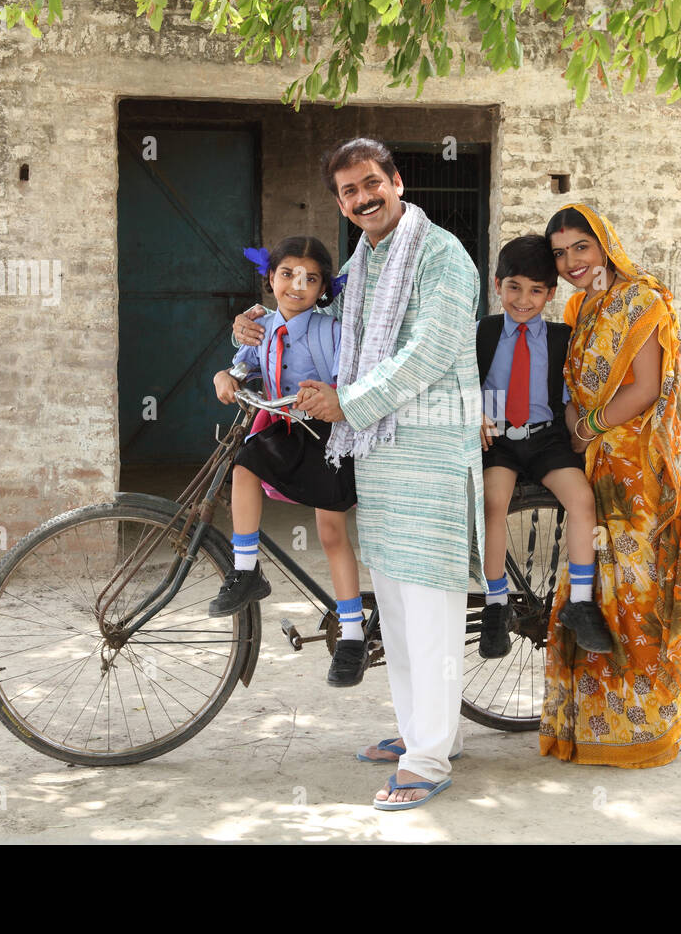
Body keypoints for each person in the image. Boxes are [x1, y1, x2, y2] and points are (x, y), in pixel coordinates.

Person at [233, 138, 484, 810]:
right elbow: (329, 326)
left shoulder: (441, 256)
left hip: (428, 450)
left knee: (429, 604)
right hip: (379, 453)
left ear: (395, 181)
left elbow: (427, 351)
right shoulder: (366, 260)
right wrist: (258, 325)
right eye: (349, 191)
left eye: (372, 183)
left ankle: (429, 759)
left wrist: (349, 401)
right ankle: (426, 733)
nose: (363, 198)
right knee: (397, 606)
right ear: (342, 202)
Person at [538, 203, 681, 769]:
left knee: (637, 594)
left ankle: (646, 729)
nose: (571, 263)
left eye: (580, 248)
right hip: (594, 467)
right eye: (560, 254)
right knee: (594, 594)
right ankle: (593, 728)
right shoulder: (582, 305)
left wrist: (588, 429)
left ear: (603, 244)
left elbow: (646, 388)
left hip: (640, 471)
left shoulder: (642, 300)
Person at [210, 236, 366, 688]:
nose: (297, 285)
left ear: (323, 289)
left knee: (331, 532)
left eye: (311, 278)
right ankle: (245, 570)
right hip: (285, 428)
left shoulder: (329, 330)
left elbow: (346, 378)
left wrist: (330, 395)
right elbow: (244, 368)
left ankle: (352, 636)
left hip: (327, 435)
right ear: (269, 279)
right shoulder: (260, 327)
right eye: (287, 274)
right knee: (244, 466)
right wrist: (226, 376)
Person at [475, 235, 605, 659]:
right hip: (499, 441)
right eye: (514, 287)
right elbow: (464, 383)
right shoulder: (485, 333)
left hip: (546, 435)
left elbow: (569, 398)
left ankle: (581, 604)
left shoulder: (561, 338)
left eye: (536, 291)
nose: (524, 300)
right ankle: (496, 608)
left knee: (582, 500)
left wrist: (583, 438)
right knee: (494, 503)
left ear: (550, 293)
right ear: (497, 285)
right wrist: (473, 412)